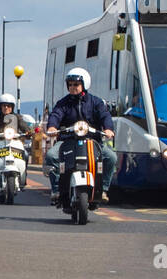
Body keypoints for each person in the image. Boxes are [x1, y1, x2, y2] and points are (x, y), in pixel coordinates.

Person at [45, 67, 117, 206]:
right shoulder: (63, 103)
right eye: (70, 85)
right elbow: (55, 114)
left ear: (84, 84)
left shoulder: (96, 102)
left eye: (76, 84)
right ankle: (56, 190)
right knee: (51, 156)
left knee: (111, 158)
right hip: (68, 140)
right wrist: (52, 127)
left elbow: (105, 115)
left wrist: (108, 129)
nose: (72, 88)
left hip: (92, 141)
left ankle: (103, 190)